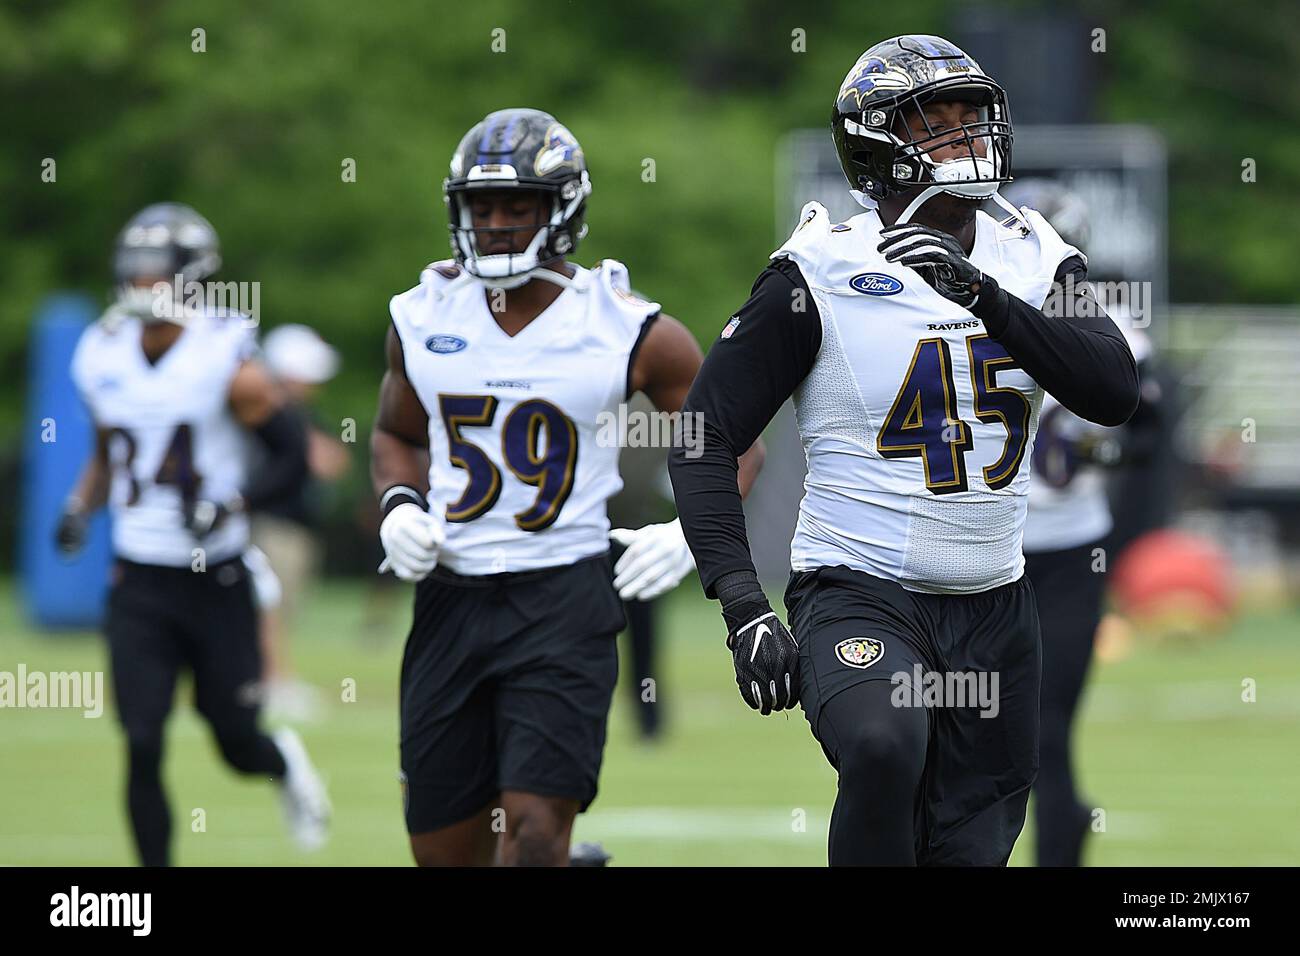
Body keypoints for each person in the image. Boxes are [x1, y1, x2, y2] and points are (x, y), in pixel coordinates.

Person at [668, 35, 1139, 865]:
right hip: (860, 591)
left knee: (966, 850)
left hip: (994, 607)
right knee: (884, 746)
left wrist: (986, 298)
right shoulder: (819, 269)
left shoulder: (1031, 256)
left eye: (971, 117)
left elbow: (1111, 391)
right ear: (879, 142)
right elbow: (703, 435)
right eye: (937, 120)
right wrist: (743, 605)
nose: (963, 137)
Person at [369, 108, 763, 866]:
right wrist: (398, 504)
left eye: (518, 206)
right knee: (445, 854)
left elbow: (732, 441)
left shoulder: (625, 324)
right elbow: (397, 435)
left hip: (565, 597)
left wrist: (692, 532)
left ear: (563, 210)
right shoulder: (420, 317)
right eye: (481, 208)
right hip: (451, 596)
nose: (496, 225)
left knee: (538, 831)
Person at [56, 202, 331, 866]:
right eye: (135, 271)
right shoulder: (101, 351)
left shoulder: (228, 357)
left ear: (192, 276)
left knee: (234, 738)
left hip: (217, 577)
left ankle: (281, 762)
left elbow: (292, 461)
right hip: (138, 576)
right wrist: (78, 507)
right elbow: (109, 452)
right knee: (142, 738)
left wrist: (229, 504)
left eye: (157, 272)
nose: (144, 284)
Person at [1006, 179, 1164, 866]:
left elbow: (1149, 433)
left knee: (1049, 724)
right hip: (983, 549)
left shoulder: (1116, 328)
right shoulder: (968, 310)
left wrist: (1106, 445)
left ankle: (1060, 844)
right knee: (973, 718)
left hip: (1071, 549)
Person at [251, 323, 348, 721]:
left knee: (283, 609)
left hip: (295, 525)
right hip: (273, 524)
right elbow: (323, 461)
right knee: (269, 607)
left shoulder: (300, 416)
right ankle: (272, 682)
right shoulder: (270, 415)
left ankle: (275, 678)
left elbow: (334, 462)